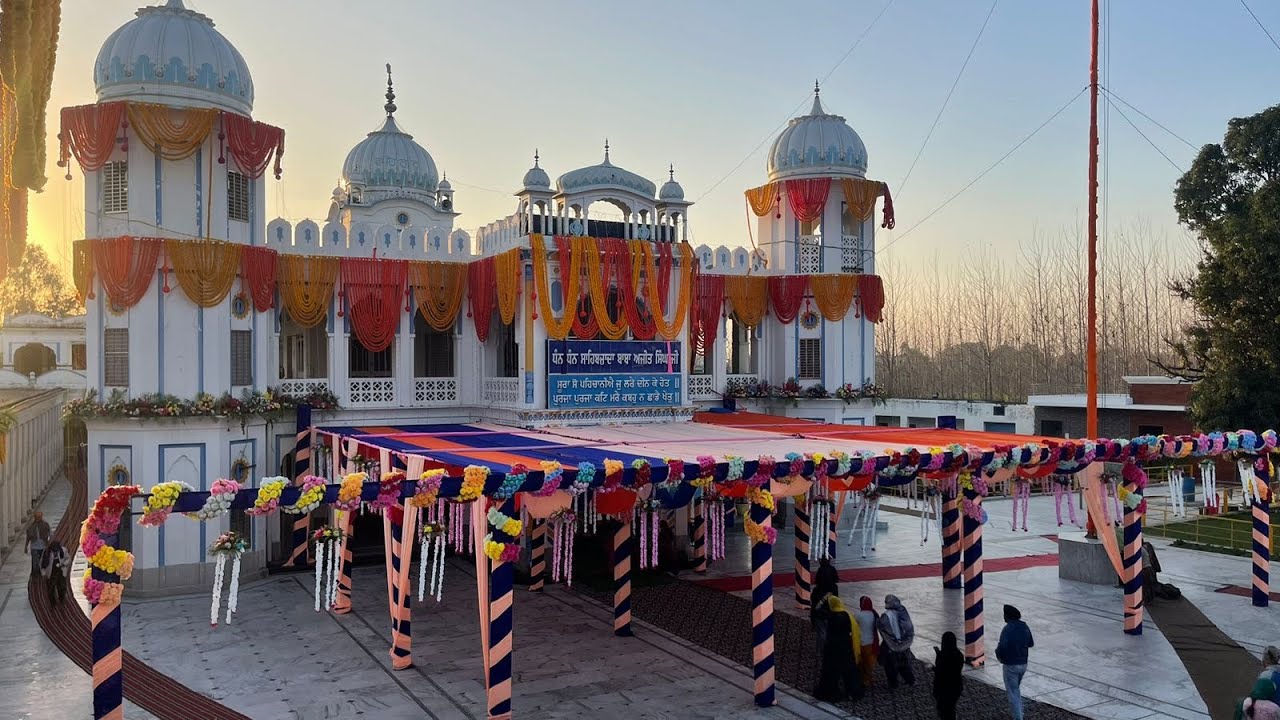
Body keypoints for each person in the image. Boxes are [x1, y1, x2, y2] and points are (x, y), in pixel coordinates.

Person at [814, 595, 864, 703]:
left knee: (831, 673)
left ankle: (830, 693)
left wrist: (823, 599)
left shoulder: (831, 616)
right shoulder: (847, 615)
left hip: (833, 649)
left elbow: (817, 610)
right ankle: (853, 693)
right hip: (846, 648)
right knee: (850, 672)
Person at [996, 604, 1035, 720]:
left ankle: (1018, 717)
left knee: (1013, 692)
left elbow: (1002, 646)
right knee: (1015, 689)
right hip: (1023, 664)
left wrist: (999, 655)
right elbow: (1030, 643)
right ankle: (1017, 712)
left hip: (1010, 665)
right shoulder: (1024, 626)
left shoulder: (1007, 629)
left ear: (1008, 616)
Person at [877, 594, 916, 688]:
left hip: (891, 644)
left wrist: (893, 642)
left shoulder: (885, 616)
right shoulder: (903, 612)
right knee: (903, 663)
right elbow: (908, 627)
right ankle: (910, 680)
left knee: (890, 665)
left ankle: (893, 684)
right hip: (903, 643)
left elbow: (884, 630)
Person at [933, 631, 965, 720]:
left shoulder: (942, 656)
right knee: (951, 708)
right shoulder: (959, 655)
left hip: (943, 688)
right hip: (956, 687)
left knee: (944, 710)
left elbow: (940, 671)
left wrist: (938, 656)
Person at [852, 596, 880, 687]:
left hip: (860, 642)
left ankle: (862, 679)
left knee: (861, 662)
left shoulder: (858, 615)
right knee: (869, 664)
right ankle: (867, 679)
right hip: (871, 643)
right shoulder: (874, 614)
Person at [40, 540, 71, 606]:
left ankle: (61, 599)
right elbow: (42, 564)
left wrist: (64, 564)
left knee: (62, 587)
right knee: (50, 589)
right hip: (51, 573)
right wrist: (44, 574)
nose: (55, 553)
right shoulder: (47, 553)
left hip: (60, 572)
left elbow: (68, 559)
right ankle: (53, 603)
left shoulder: (63, 550)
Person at [24, 511, 50, 577]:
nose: (38, 518)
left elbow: (50, 533)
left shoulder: (45, 525)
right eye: (37, 517)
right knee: (35, 562)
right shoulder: (31, 527)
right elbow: (28, 537)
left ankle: (42, 573)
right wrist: (26, 546)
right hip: (34, 547)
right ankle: (35, 574)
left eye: (39, 517)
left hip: (43, 546)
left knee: (43, 561)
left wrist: (49, 542)